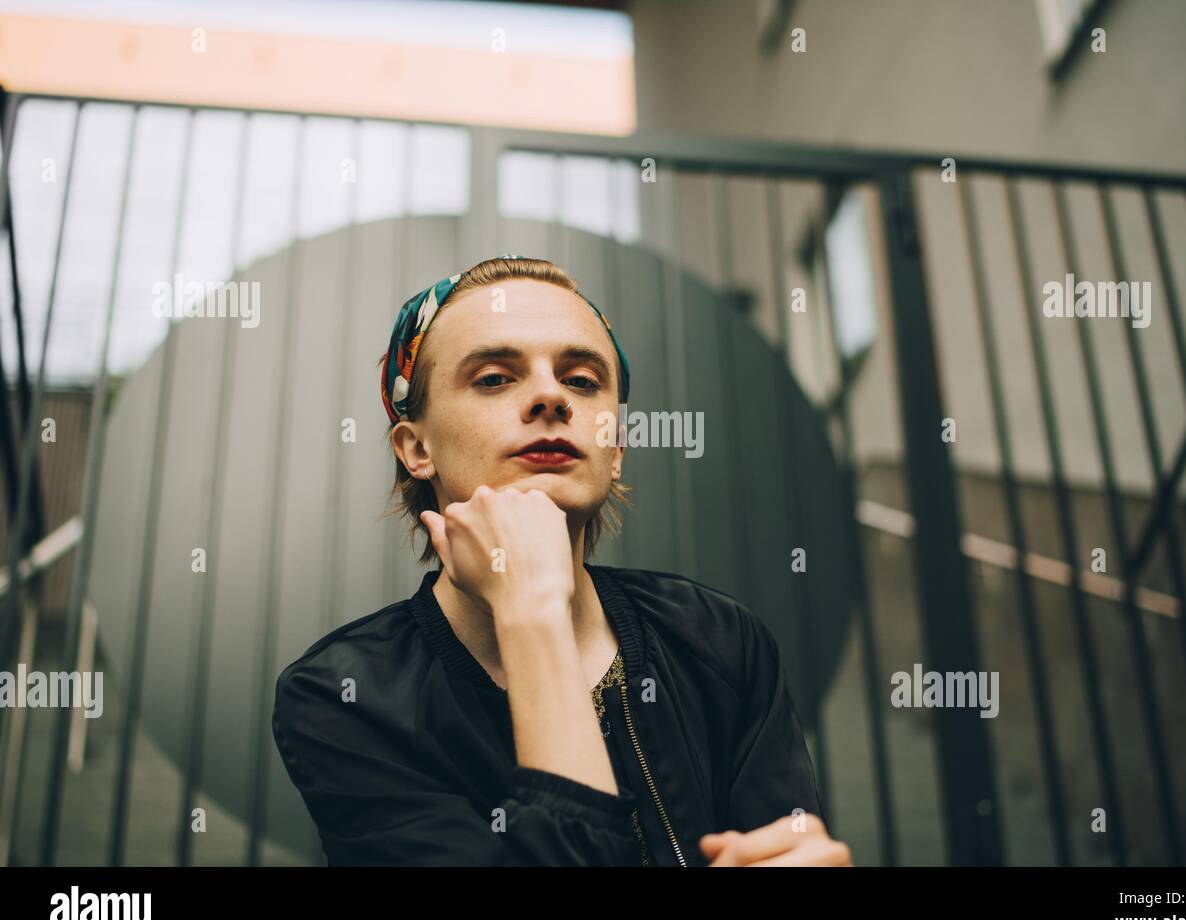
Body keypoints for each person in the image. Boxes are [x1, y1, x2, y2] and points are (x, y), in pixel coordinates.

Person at [272, 254, 851, 867]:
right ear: (417, 447)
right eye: (494, 377)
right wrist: (531, 612)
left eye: (581, 380)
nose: (551, 395)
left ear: (616, 446)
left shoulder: (720, 637)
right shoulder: (343, 696)